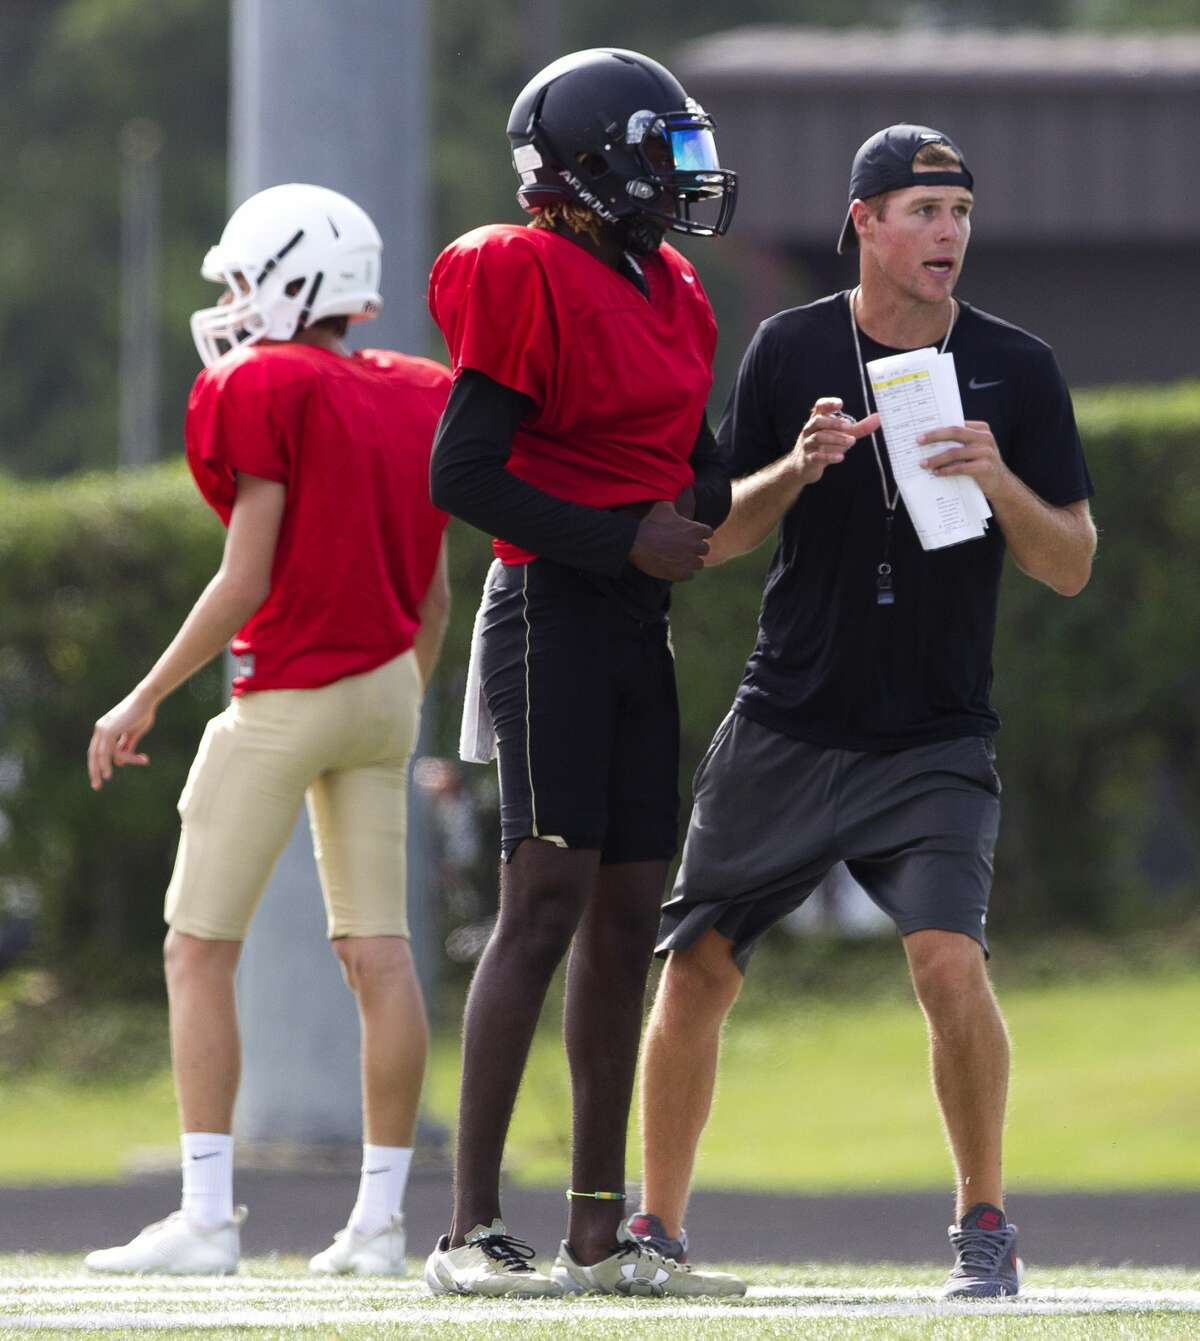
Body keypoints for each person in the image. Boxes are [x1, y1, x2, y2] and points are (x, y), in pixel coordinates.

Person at [630, 124, 1097, 1300]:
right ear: (866, 224)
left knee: (948, 960)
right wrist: (795, 467)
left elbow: (1073, 562)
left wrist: (999, 480)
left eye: (961, 215)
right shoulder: (790, 348)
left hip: (934, 735)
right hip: (788, 719)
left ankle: (984, 1228)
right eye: (924, 212)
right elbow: (718, 538)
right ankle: (657, 1233)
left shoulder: (1019, 368)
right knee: (696, 968)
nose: (948, 235)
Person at [421, 48, 744, 1299]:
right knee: (544, 901)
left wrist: (707, 497)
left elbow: (697, 459)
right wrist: (622, 533)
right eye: (662, 150)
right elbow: (465, 472)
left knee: (624, 917)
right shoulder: (524, 269)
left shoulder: (665, 284)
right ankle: (468, 1231)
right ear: (592, 162)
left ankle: (600, 1232)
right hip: (548, 608)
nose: (683, 176)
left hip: (627, 617)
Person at [83, 183, 451, 1277]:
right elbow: (433, 597)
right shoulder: (421, 393)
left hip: (289, 694)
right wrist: (400, 696)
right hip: (387, 691)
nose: (235, 306)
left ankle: (205, 1217)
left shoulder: (268, 384)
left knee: (197, 948)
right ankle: (379, 1224)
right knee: (379, 952)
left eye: (245, 282)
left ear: (294, 281)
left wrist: (142, 692)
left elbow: (246, 576)